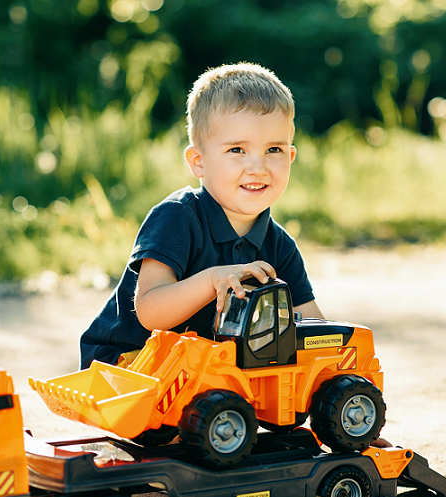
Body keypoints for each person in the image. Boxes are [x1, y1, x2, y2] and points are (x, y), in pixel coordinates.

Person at [79, 62, 324, 370]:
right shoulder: (177, 218)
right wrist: (213, 279)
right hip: (130, 362)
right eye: (237, 150)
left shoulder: (280, 246)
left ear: (290, 157)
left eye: (273, 150)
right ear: (198, 162)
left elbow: (310, 322)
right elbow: (150, 311)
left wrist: (332, 356)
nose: (258, 167)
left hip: (205, 370)